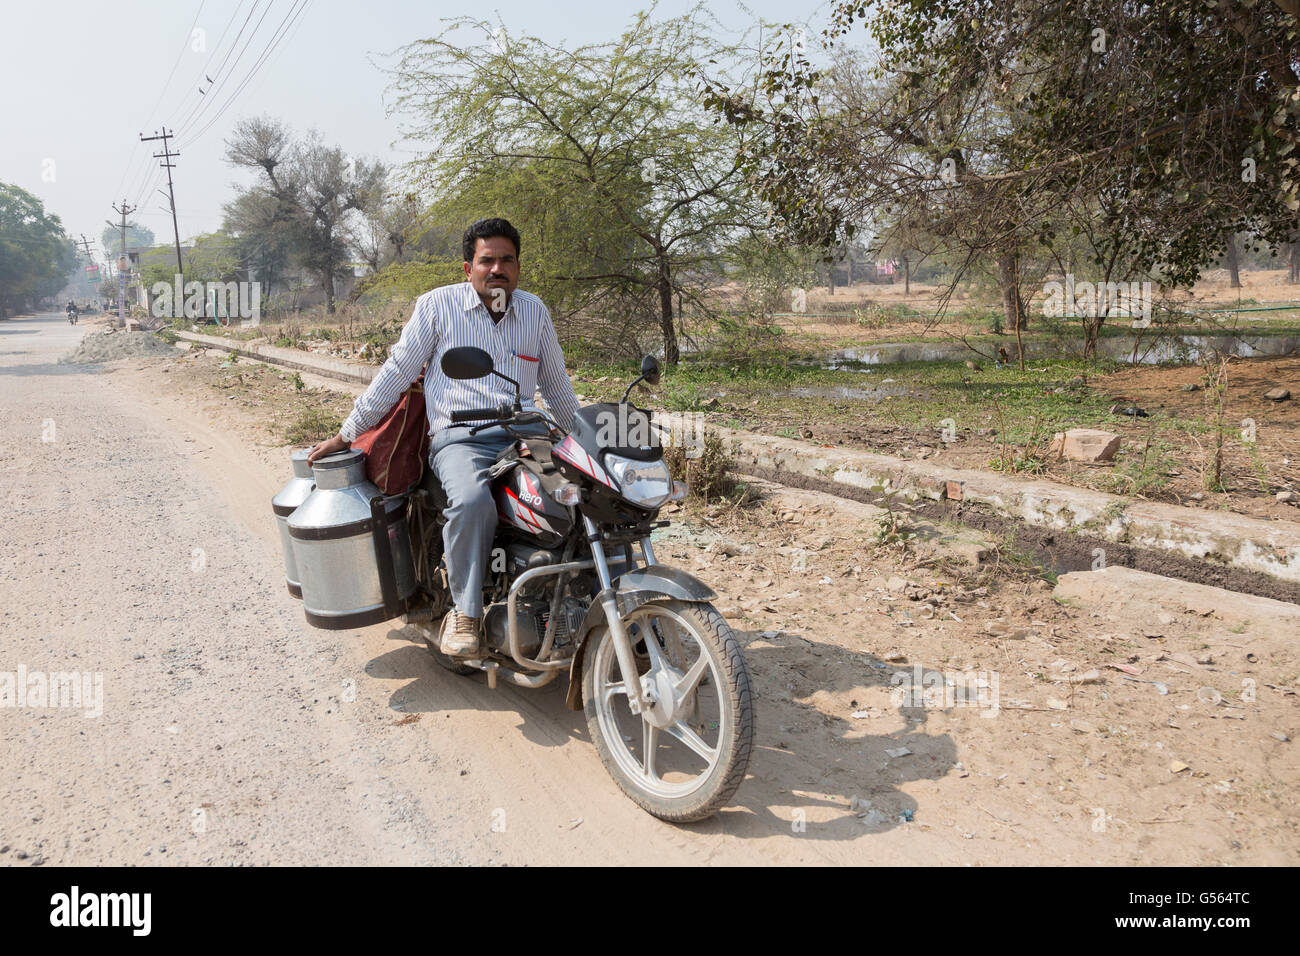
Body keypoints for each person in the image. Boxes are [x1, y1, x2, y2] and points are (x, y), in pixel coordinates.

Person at [308, 218, 579, 657]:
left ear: (518, 266)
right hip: (461, 438)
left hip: (528, 434)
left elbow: (557, 387)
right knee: (473, 503)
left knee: (579, 495)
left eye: (506, 260)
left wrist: (586, 439)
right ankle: (466, 613)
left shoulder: (534, 311)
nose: (496, 270)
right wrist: (348, 433)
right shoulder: (437, 306)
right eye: (486, 260)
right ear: (467, 268)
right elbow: (397, 372)